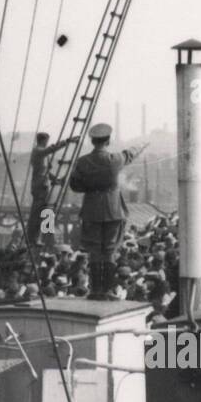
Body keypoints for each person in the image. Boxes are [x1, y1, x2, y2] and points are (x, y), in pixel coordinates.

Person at [68, 124, 146, 299]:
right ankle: (108, 290)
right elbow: (130, 153)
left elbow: (74, 185)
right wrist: (141, 145)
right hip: (113, 210)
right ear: (108, 141)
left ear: (92, 140)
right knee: (110, 251)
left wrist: (89, 188)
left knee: (95, 251)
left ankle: (95, 290)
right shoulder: (115, 159)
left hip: (91, 210)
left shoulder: (82, 162)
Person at [26, 131, 74, 246]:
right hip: (39, 187)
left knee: (45, 212)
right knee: (38, 213)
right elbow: (50, 150)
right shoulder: (38, 151)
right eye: (47, 141)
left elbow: (46, 172)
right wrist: (65, 143)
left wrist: (56, 179)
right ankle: (33, 239)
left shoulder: (43, 155)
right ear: (43, 140)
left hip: (43, 185)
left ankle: (41, 237)